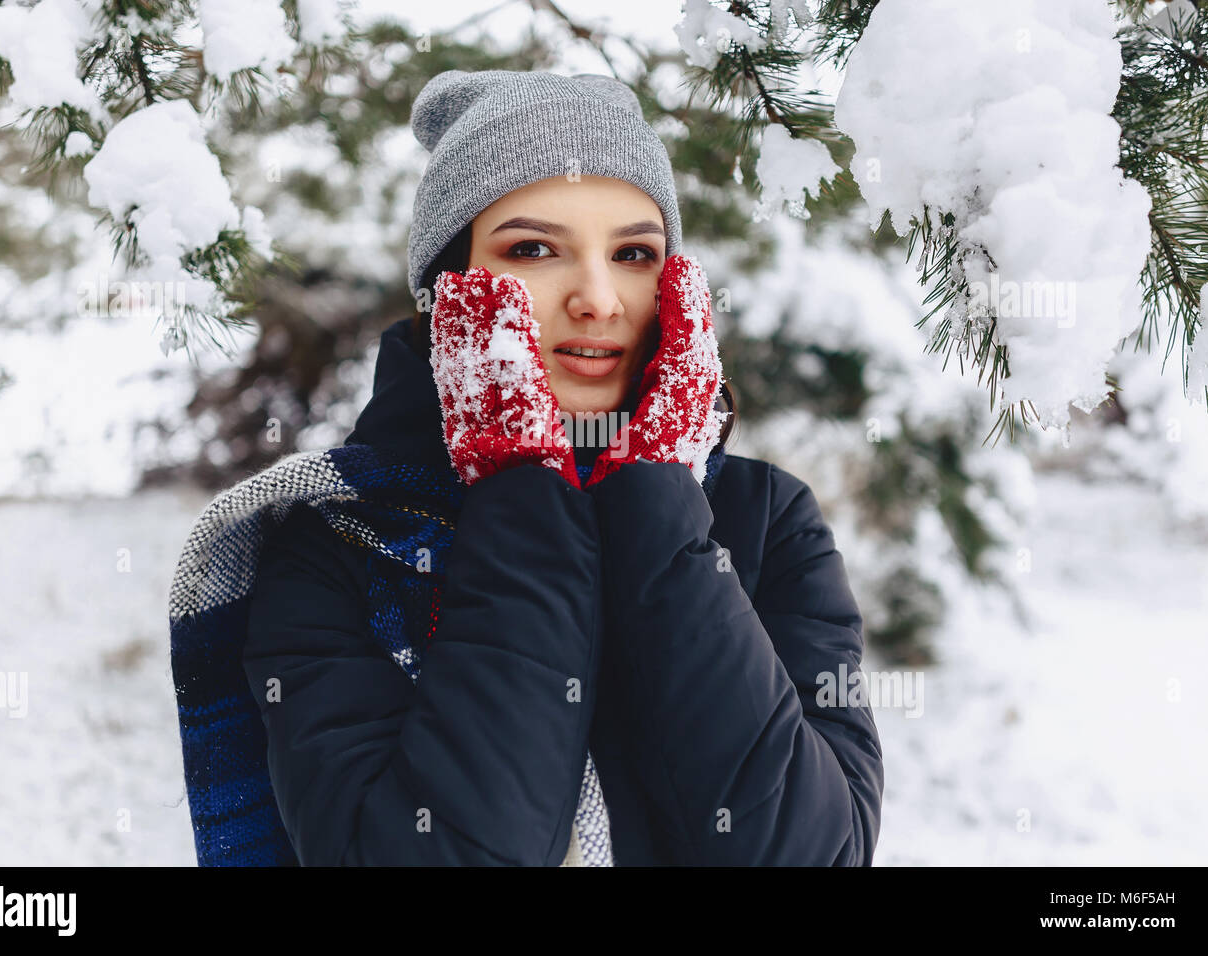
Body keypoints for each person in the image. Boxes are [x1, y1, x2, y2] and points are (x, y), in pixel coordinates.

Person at [172, 68, 882, 867]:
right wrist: (523, 494)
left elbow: (811, 853)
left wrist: (655, 499)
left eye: (636, 254)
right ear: (452, 292)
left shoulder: (765, 518)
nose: (599, 297)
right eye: (534, 248)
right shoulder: (335, 542)